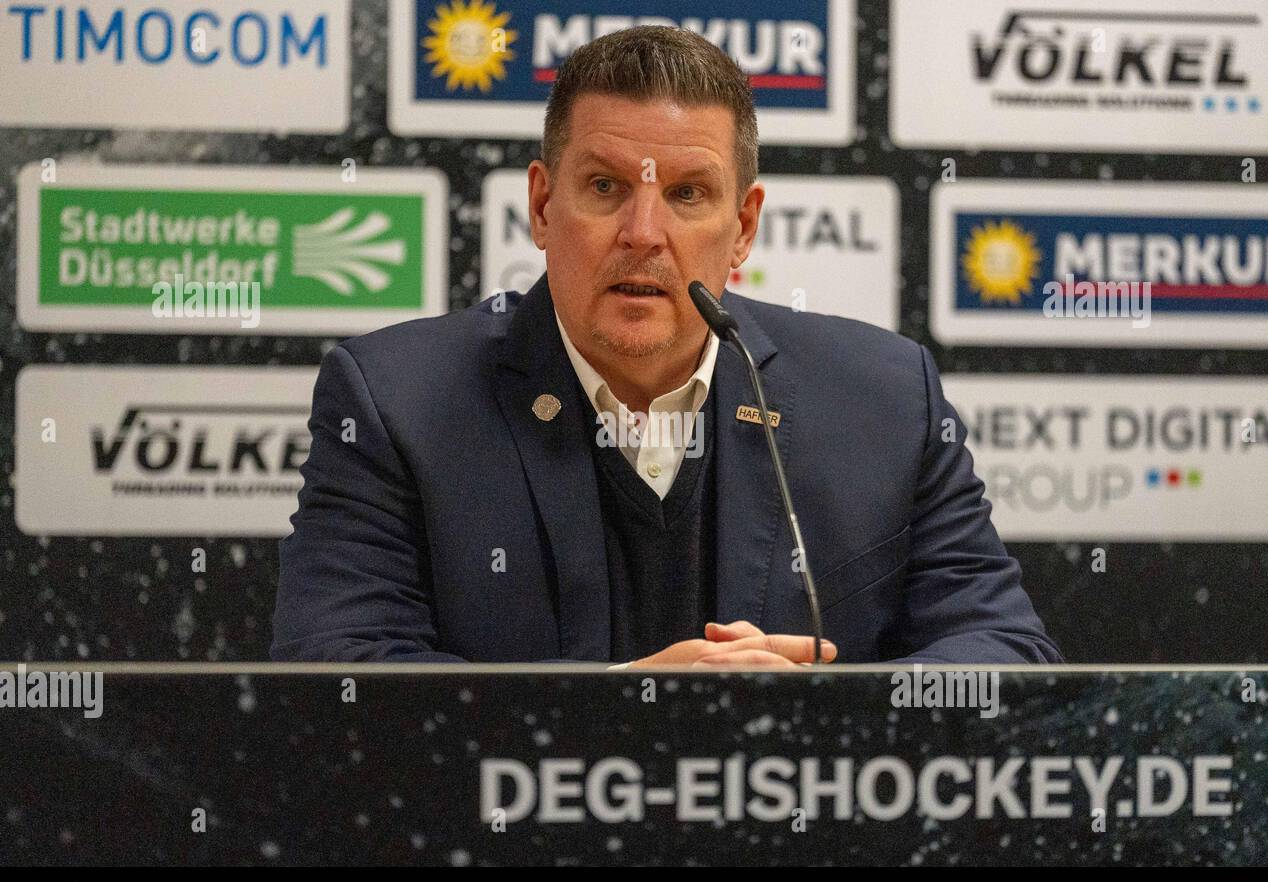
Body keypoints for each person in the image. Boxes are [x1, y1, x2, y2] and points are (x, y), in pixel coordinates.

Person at [272, 26, 1062, 668]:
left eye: (686, 194)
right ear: (543, 206)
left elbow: (1004, 653)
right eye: (607, 187)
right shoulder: (393, 401)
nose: (643, 235)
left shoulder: (885, 399)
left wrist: (826, 719)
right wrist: (618, 712)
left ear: (743, 227)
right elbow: (338, 670)